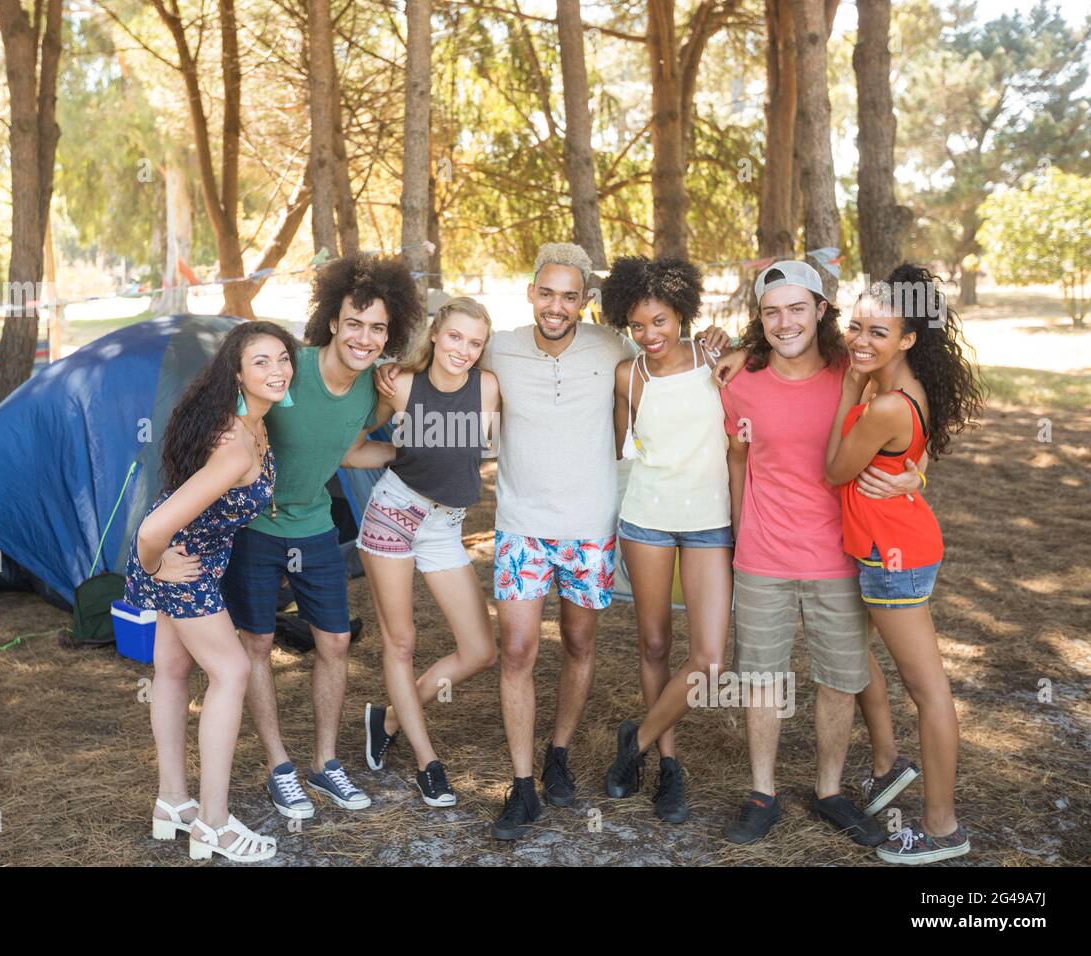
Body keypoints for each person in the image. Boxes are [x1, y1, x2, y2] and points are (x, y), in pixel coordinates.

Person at [375, 243, 731, 841]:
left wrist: (715, 341)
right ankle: (522, 785)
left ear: (585, 301)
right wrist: (394, 375)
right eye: (547, 293)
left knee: (578, 642)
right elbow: (446, 355)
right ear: (532, 294)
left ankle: (559, 750)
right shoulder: (500, 348)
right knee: (514, 650)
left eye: (570, 295)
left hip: (591, 529)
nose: (557, 306)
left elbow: (666, 350)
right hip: (522, 528)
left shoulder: (614, 348)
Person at [711, 260, 925, 849]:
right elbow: (736, 462)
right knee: (762, 681)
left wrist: (918, 474)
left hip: (839, 556)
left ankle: (829, 790)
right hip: (762, 558)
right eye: (772, 311)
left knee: (838, 679)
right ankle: (762, 792)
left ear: (821, 311)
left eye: (797, 308)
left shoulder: (853, 374)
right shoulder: (738, 382)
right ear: (760, 320)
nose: (785, 322)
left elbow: (909, 425)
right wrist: (736, 540)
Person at [222, 255, 421, 820]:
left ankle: (325, 763)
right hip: (255, 529)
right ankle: (279, 766)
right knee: (257, 645)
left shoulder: (371, 392)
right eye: (354, 323)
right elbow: (236, 427)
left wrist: (406, 453)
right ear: (333, 321)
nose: (364, 337)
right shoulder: (291, 370)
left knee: (334, 643)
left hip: (314, 527)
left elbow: (348, 449)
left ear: (390, 333)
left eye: (377, 328)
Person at [825, 263, 984, 864]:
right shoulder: (899, 387)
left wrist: (846, 394)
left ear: (909, 340)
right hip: (883, 547)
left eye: (878, 333)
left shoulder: (885, 405)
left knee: (929, 690)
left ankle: (943, 829)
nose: (861, 342)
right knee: (847, 647)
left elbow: (835, 471)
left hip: (896, 559)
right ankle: (889, 765)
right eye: (856, 327)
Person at [125, 320, 296, 863]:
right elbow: (153, 529)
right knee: (233, 671)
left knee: (173, 673)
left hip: (189, 560)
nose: (277, 370)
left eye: (282, 358)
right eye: (261, 362)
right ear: (238, 374)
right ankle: (214, 827)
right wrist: (154, 568)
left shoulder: (251, 426)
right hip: (179, 565)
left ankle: (174, 804)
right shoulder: (234, 447)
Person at [596, 257, 732, 825]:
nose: (650, 335)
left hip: (709, 521)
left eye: (661, 321)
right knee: (653, 644)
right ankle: (666, 765)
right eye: (638, 326)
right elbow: (622, 447)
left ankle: (639, 738)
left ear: (683, 313)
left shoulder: (715, 359)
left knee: (709, 659)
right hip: (647, 516)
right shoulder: (630, 375)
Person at [357, 297, 501, 807]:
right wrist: (400, 450)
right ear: (437, 334)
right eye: (456, 336)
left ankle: (390, 717)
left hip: (445, 527)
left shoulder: (486, 388)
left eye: (475, 342)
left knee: (480, 650)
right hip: (393, 513)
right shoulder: (399, 385)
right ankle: (427, 762)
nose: (463, 349)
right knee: (401, 642)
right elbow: (353, 447)